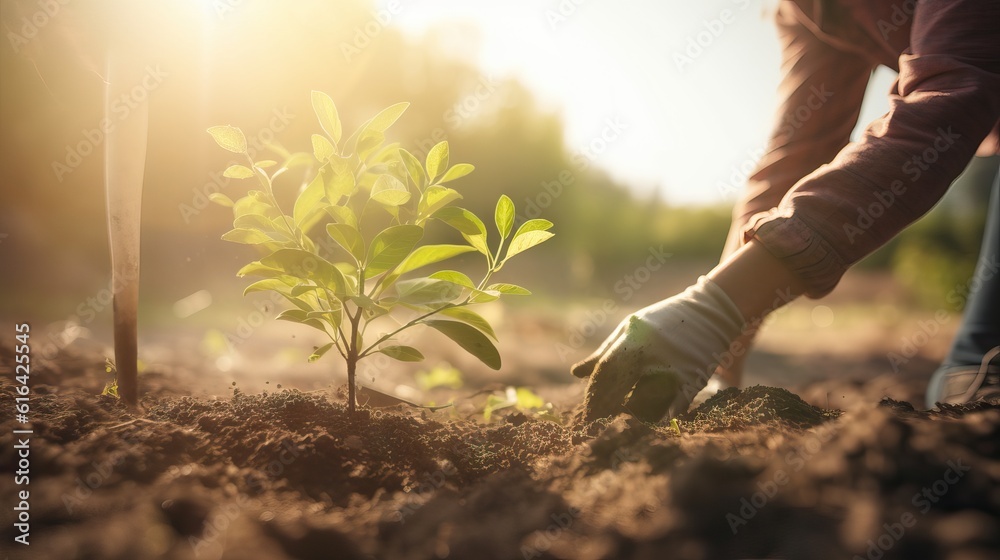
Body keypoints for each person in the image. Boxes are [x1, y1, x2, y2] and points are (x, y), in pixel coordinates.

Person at [572, 0, 1000, 422]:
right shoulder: (807, 10)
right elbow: (793, 160)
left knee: (980, 369)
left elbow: (953, 95)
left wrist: (717, 307)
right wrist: (720, 348)